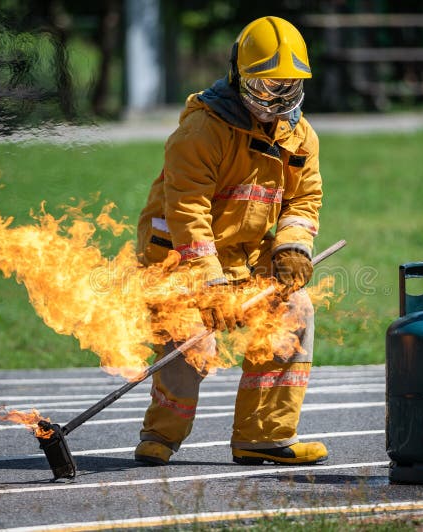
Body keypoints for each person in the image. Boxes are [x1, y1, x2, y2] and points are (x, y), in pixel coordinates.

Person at [134, 16, 325, 466]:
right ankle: (161, 435)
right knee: (192, 344)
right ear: (239, 78)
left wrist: (293, 246)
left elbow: (304, 198)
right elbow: (188, 213)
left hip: (247, 258)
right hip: (180, 261)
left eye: (287, 87)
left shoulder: (300, 137)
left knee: (294, 312)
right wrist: (209, 284)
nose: (275, 100)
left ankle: (263, 437)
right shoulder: (201, 132)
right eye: (264, 86)